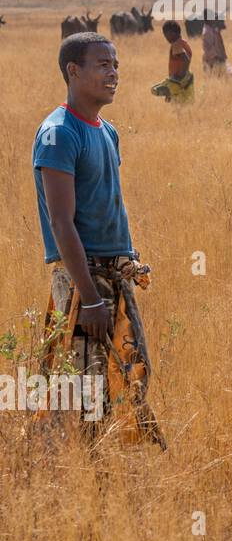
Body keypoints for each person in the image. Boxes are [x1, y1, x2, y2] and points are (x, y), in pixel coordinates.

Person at [34, 33, 166, 449]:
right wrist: (89, 298)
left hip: (114, 273)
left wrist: (127, 256)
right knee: (88, 385)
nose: (113, 74)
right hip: (83, 280)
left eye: (116, 65)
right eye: (103, 65)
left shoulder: (106, 130)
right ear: (73, 71)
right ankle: (90, 471)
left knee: (130, 373)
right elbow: (61, 222)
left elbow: (105, 204)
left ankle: (111, 465)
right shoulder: (58, 133)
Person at [150, 20, 195, 103]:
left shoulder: (176, 45)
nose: (166, 38)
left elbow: (185, 60)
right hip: (187, 79)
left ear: (171, 33)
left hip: (177, 81)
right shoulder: (184, 43)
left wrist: (179, 77)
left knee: (154, 90)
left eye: (166, 35)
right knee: (187, 105)